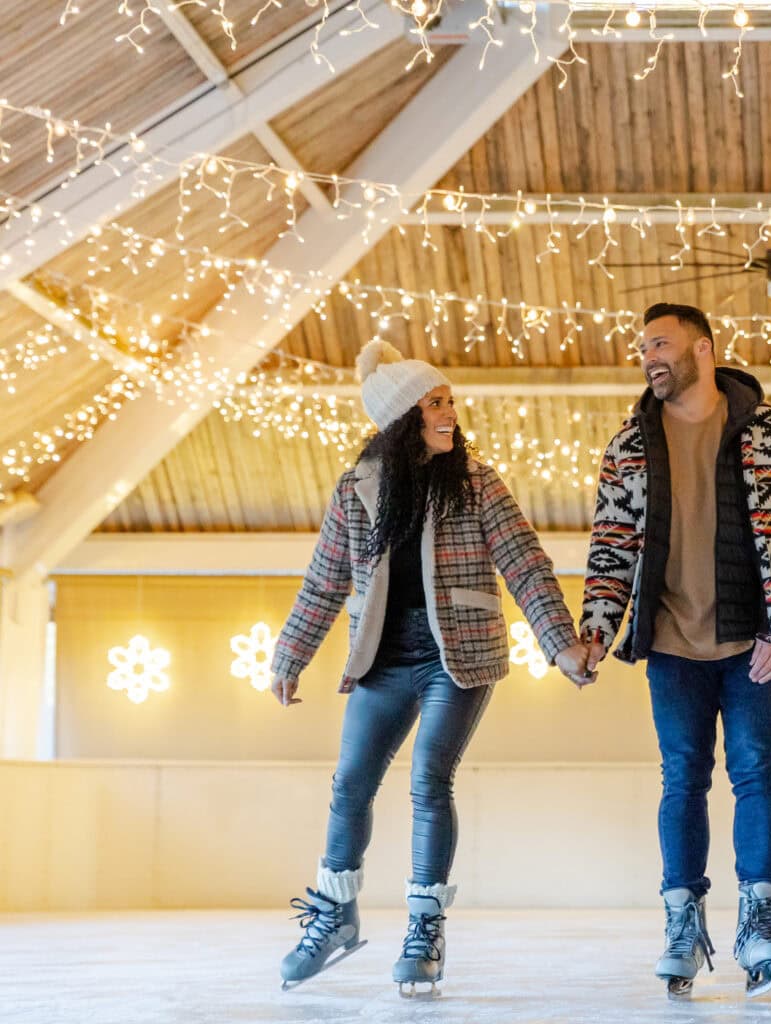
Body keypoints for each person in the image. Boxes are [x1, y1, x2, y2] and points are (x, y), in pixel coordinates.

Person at [268, 339, 593, 996]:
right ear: (399, 420)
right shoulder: (358, 489)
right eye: (434, 404)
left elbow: (525, 565)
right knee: (350, 782)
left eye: (449, 400)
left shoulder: (477, 483)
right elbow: (325, 580)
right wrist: (290, 655)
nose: (450, 413)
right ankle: (334, 914)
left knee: (427, 780)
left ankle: (425, 929)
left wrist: (560, 645)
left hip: (459, 658)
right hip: (383, 661)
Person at [580, 302, 771, 999]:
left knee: (756, 773)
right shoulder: (631, 443)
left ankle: (758, 917)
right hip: (671, 646)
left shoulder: (769, 432)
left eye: (660, 343)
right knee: (683, 779)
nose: (648, 357)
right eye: (642, 348)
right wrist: (597, 628)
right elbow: (611, 544)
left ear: (703, 350)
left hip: (754, 640)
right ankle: (682, 924)